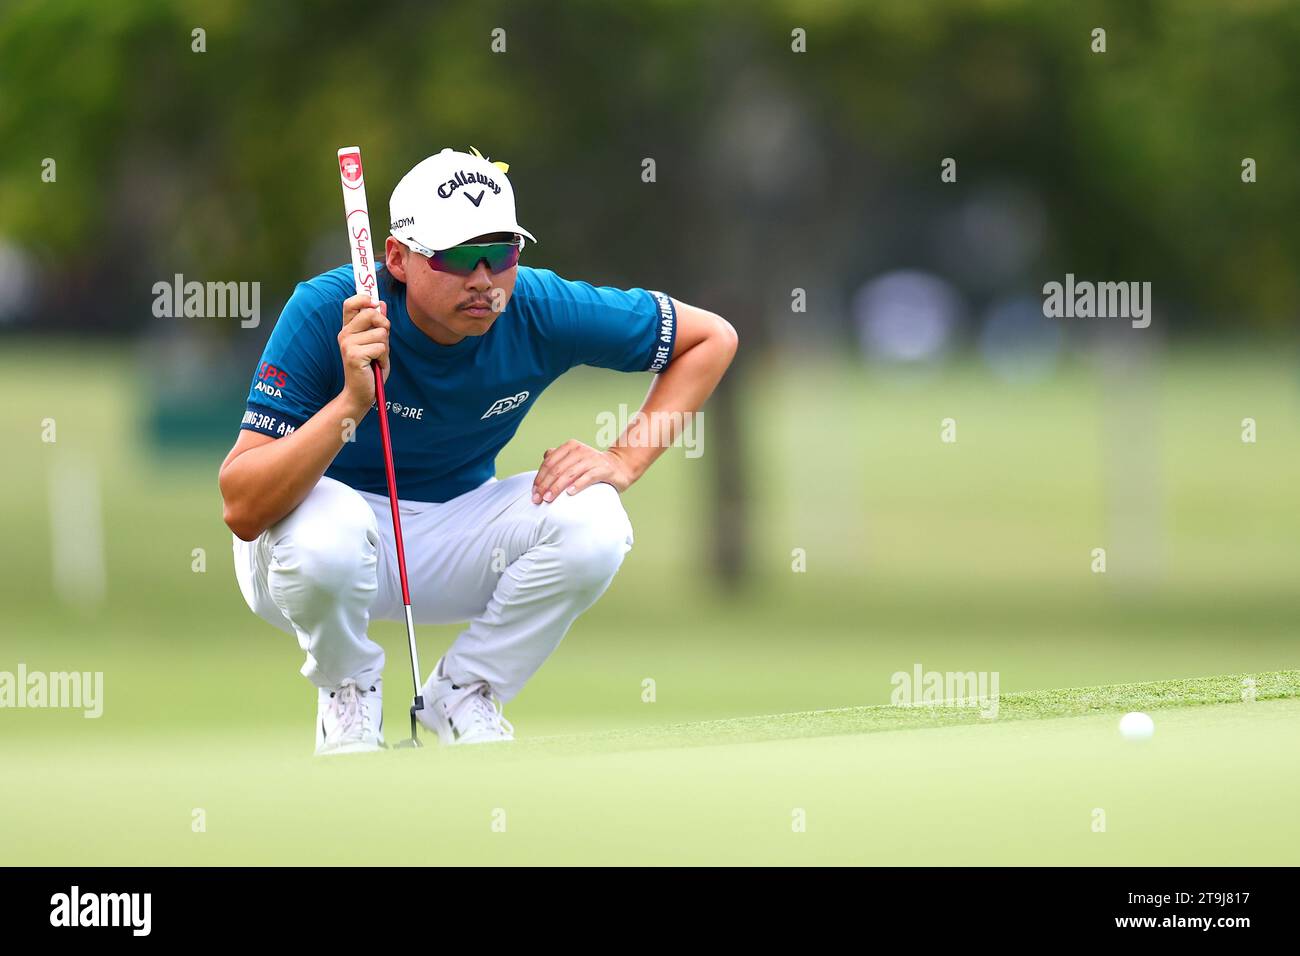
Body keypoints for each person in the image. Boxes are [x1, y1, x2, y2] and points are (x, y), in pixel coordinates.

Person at [218, 148, 738, 755]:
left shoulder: (540, 308)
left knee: (594, 519)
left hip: (452, 534)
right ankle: (347, 692)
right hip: (310, 553)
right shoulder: (324, 311)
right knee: (324, 534)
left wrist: (624, 460)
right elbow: (243, 507)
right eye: (460, 257)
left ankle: (466, 692)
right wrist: (349, 406)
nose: (485, 280)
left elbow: (710, 338)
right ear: (397, 258)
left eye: (502, 254)